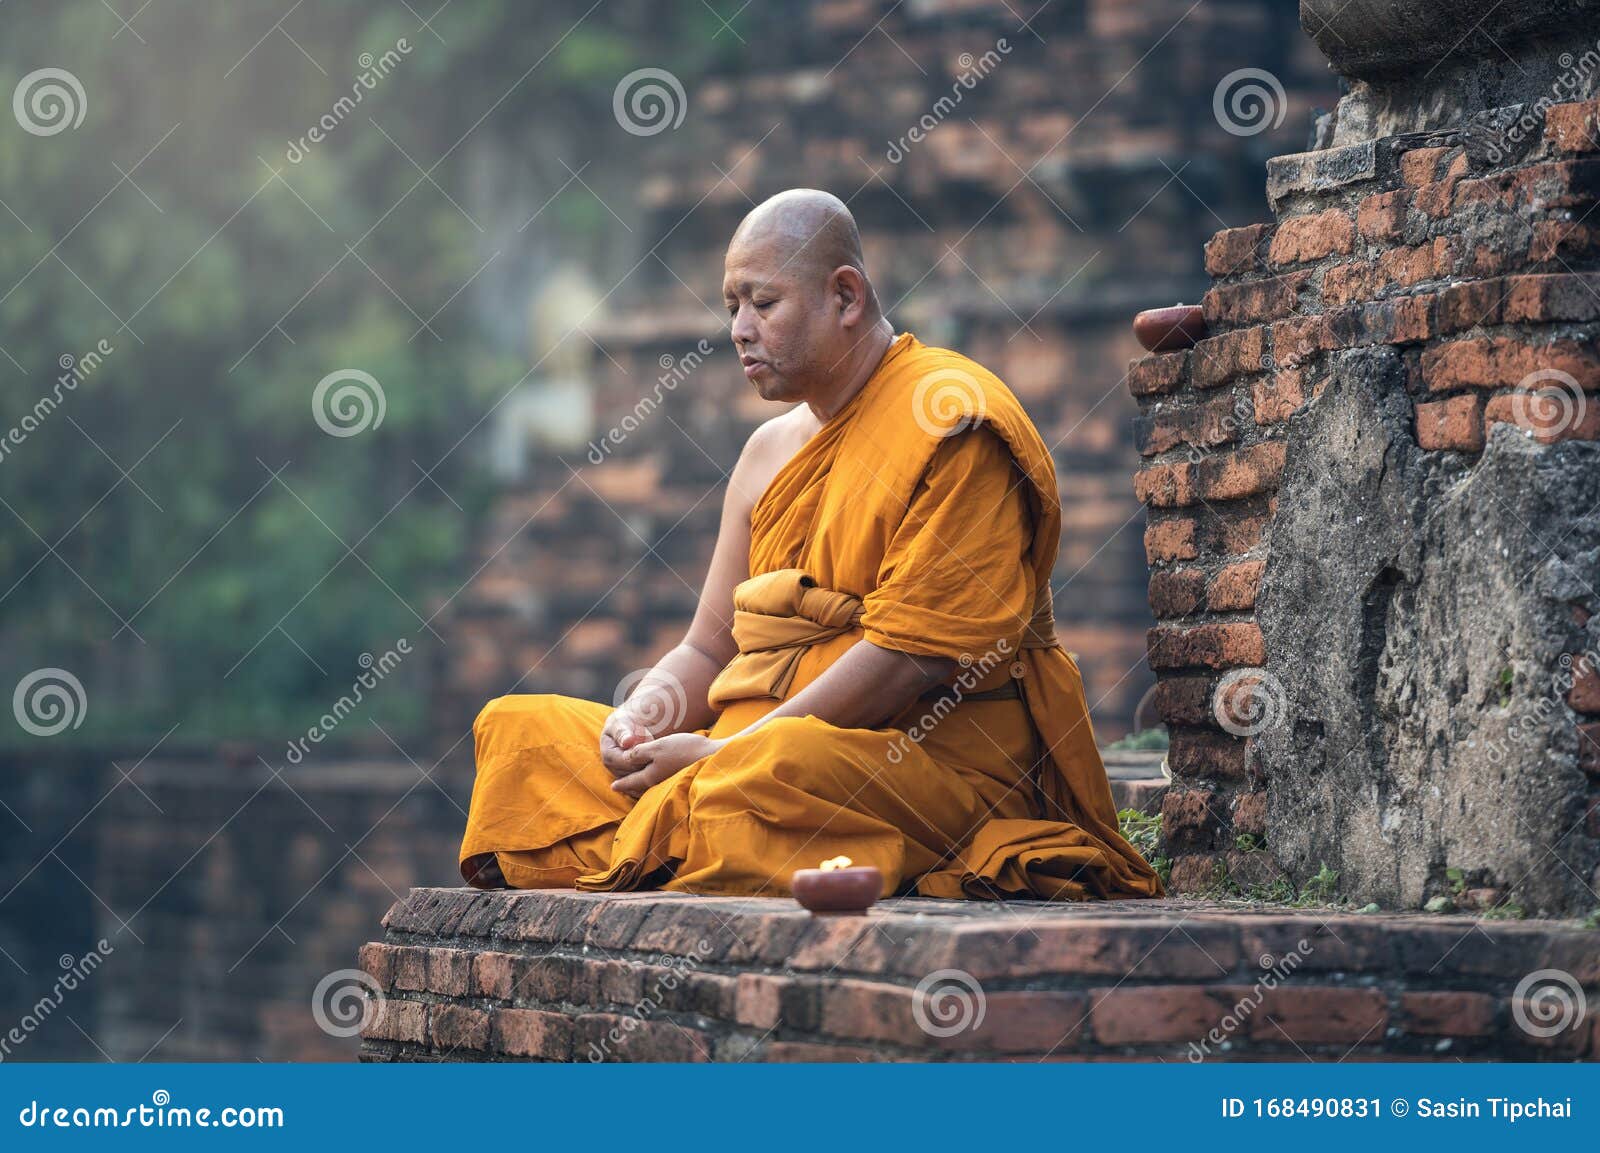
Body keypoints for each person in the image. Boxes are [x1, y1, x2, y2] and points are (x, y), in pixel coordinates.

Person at [457, 188, 1163, 902]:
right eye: (731, 305)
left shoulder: (949, 419)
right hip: (746, 750)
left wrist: (728, 751)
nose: (738, 329)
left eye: (763, 304)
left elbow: (909, 658)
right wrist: (643, 720)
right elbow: (708, 648)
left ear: (846, 297)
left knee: (766, 777)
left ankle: (670, 826)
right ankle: (675, 823)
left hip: (914, 758)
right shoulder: (767, 451)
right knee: (518, 732)